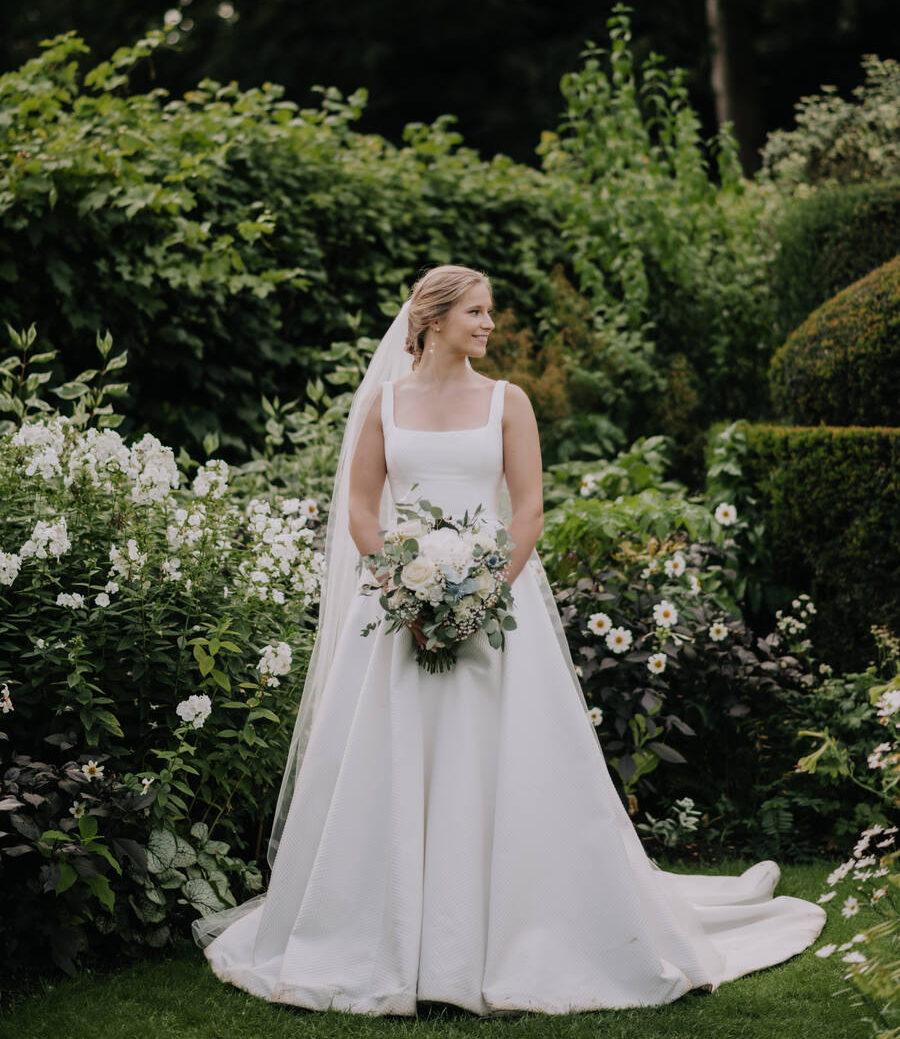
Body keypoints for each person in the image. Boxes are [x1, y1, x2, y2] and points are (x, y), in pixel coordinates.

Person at [194, 263, 825, 1014]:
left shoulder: (507, 401)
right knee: (391, 766)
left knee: (504, 765)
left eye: (490, 312)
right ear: (431, 320)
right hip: (401, 614)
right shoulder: (384, 405)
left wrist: (482, 590)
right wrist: (404, 586)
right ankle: (384, 938)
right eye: (477, 312)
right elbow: (362, 511)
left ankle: (512, 934)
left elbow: (528, 511)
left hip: (498, 611)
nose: (490, 325)